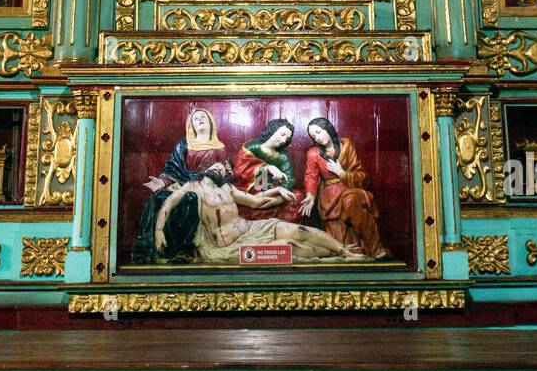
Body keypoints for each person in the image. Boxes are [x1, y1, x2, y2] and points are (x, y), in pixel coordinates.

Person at [155, 165, 366, 264]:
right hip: (229, 246)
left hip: (252, 229)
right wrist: (158, 231)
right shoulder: (193, 187)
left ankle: (343, 250)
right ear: (207, 169)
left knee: (299, 230)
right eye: (216, 166)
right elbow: (168, 204)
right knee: (292, 249)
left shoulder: (227, 189)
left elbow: (257, 201)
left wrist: (280, 192)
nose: (219, 168)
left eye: (222, 167)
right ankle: (338, 254)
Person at [131, 108, 227, 263]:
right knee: (158, 197)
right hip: (180, 184)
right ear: (191, 126)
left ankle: (182, 250)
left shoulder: (219, 147)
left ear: (211, 123)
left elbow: (221, 174)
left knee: (190, 199)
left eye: (203, 117)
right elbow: (174, 167)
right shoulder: (184, 145)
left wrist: (220, 173)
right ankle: (146, 247)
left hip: (201, 189)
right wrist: (162, 181)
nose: (200, 120)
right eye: (196, 119)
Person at [302, 117, 389, 259]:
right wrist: (310, 196)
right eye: (313, 136)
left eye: (319, 132)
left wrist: (342, 173)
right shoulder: (313, 153)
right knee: (343, 247)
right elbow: (311, 176)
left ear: (327, 128)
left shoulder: (346, 145)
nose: (317, 137)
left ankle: (376, 250)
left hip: (350, 189)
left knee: (351, 202)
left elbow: (362, 176)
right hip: (330, 200)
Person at [232, 117, 307, 224]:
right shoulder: (253, 146)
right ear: (273, 130)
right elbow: (239, 170)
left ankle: (279, 226)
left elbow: (289, 178)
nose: (283, 140)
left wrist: (281, 197)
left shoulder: (283, 156)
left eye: (287, 138)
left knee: (297, 197)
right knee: (260, 175)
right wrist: (267, 168)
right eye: (282, 134)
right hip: (251, 189)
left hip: (274, 191)